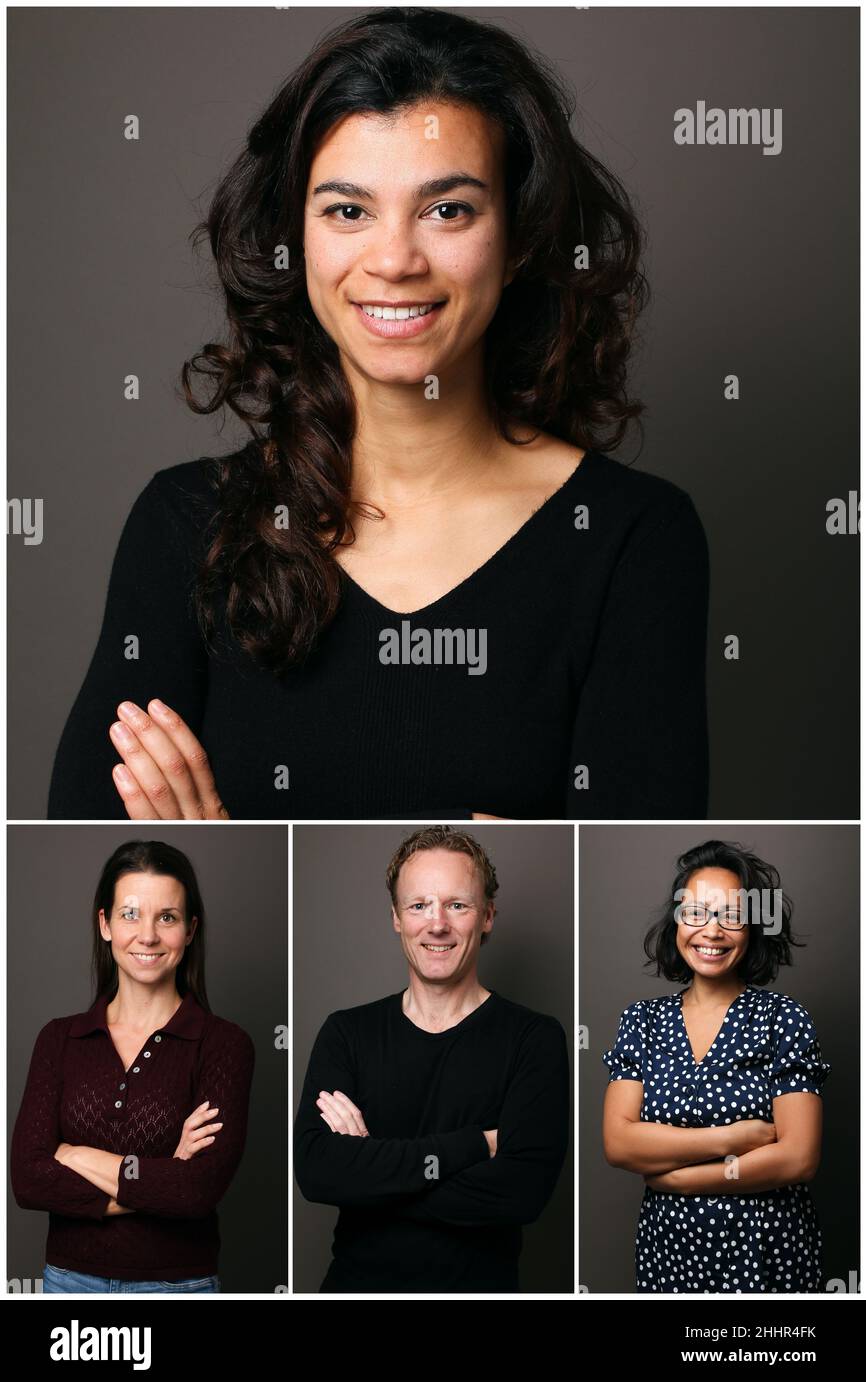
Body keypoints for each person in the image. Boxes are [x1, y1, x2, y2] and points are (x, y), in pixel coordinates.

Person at [47, 6, 708, 822]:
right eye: (348, 210)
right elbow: (101, 853)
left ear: (523, 235)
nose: (394, 260)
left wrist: (234, 852)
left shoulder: (635, 540)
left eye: (448, 209)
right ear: (296, 236)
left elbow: (610, 898)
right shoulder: (183, 524)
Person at [293, 825, 570, 1293]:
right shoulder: (347, 1032)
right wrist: (477, 1146)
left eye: (457, 905)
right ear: (397, 918)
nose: (436, 923)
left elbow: (521, 1195)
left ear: (487, 917)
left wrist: (369, 1172)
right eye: (418, 905)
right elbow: (319, 1173)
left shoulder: (534, 1038)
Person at [10, 841, 255, 1294]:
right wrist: (163, 1173)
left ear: (190, 929)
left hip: (178, 1284)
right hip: (68, 1283)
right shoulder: (59, 1039)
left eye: (167, 917)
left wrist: (77, 1156)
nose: (148, 936)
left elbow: (196, 1191)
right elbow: (27, 1180)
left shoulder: (225, 1044)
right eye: (129, 914)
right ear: (104, 924)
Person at [602, 840, 831, 1294]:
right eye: (696, 913)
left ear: (752, 929)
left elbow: (799, 1156)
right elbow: (620, 1142)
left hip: (766, 1249)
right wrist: (732, 1138)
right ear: (676, 923)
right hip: (670, 1250)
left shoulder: (784, 1018)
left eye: (731, 915)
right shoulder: (642, 1021)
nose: (712, 930)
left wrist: (686, 1181)